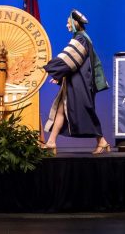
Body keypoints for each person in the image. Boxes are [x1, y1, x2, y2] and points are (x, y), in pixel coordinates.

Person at [42, 9, 109, 154]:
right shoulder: (81, 38)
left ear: (76, 23)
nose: (67, 25)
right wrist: (59, 76)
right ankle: (51, 142)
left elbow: (70, 59)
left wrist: (51, 67)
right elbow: (72, 62)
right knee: (61, 109)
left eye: (68, 22)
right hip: (74, 81)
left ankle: (102, 141)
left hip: (81, 84)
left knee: (86, 111)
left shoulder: (81, 38)